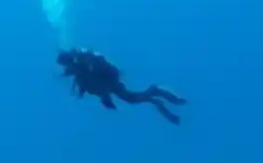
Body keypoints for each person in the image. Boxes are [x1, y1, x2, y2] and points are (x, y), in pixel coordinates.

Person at [57, 48, 187, 125]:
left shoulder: (83, 67)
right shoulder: (81, 70)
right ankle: (155, 96)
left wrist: (106, 98)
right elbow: (93, 86)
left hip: (110, 83)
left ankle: (154, 94)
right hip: (110, 84)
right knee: (131, 98)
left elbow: (96, 84)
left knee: (131, 98)